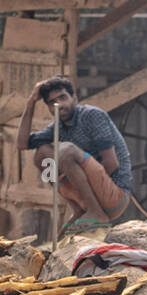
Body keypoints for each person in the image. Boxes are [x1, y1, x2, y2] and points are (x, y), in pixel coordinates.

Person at [17, 75, 133, 234]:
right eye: (52, 102)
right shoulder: (58, 127)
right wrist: (31, 102)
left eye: (62, 97)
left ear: (75, 98)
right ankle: (79, 210)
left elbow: (112, 164)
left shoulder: (91, 115)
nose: (59, 104)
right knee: (41, 155)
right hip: (89, 198)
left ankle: (96, 214)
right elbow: (22, 144)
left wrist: (88, 192)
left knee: (66, 150)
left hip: (115, 195)